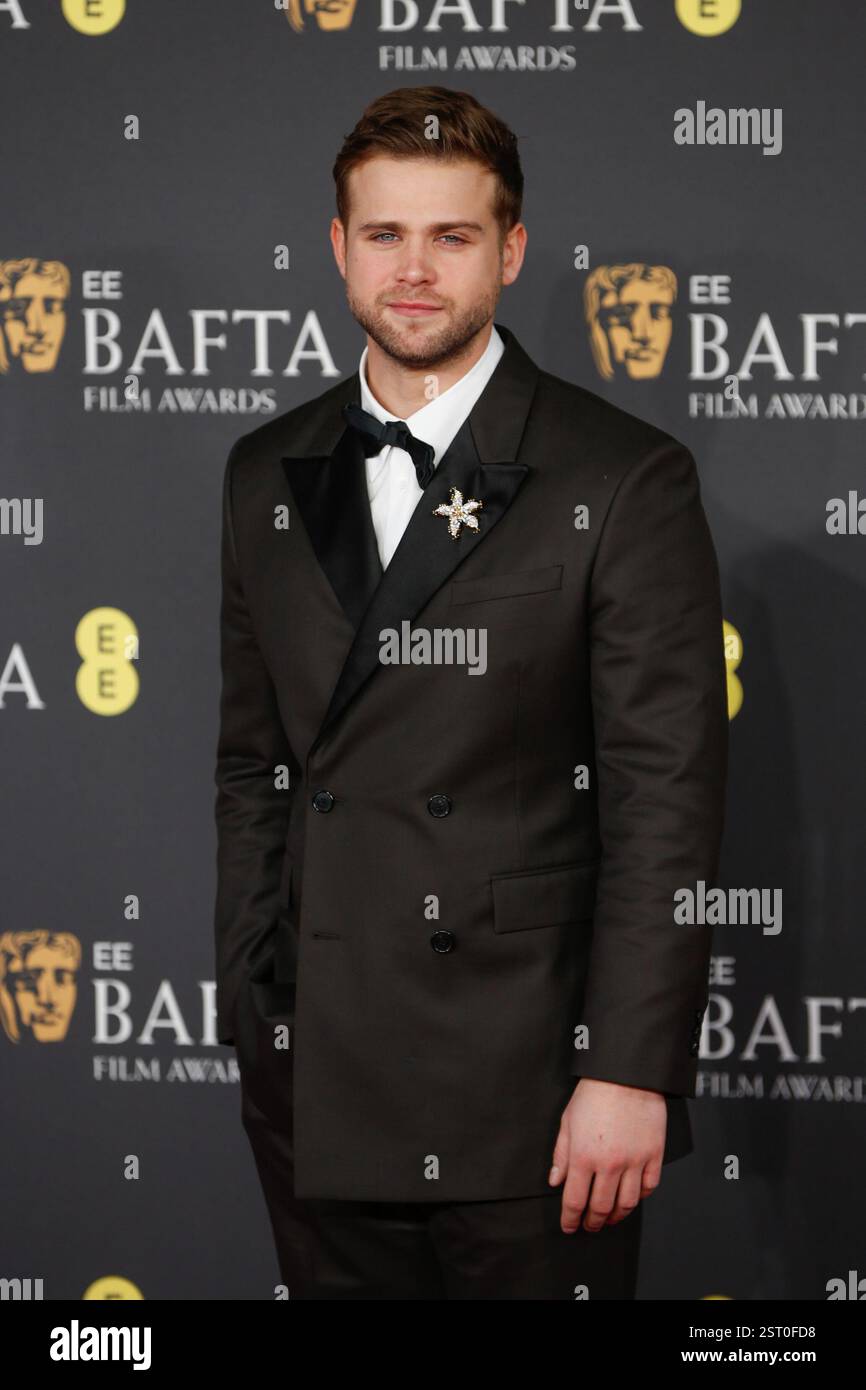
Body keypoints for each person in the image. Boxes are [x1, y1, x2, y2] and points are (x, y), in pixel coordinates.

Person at [213, 85, 728, 1300]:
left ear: (510, 251)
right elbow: (252, 763)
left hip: (535, 1094)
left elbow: (665, 794)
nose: (413, 270)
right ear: (337, 248)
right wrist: (253, 990)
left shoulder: (620, 475)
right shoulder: (258, 475)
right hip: (319, 1078)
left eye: (450, 237)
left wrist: (629, 1068)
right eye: (384, 234)